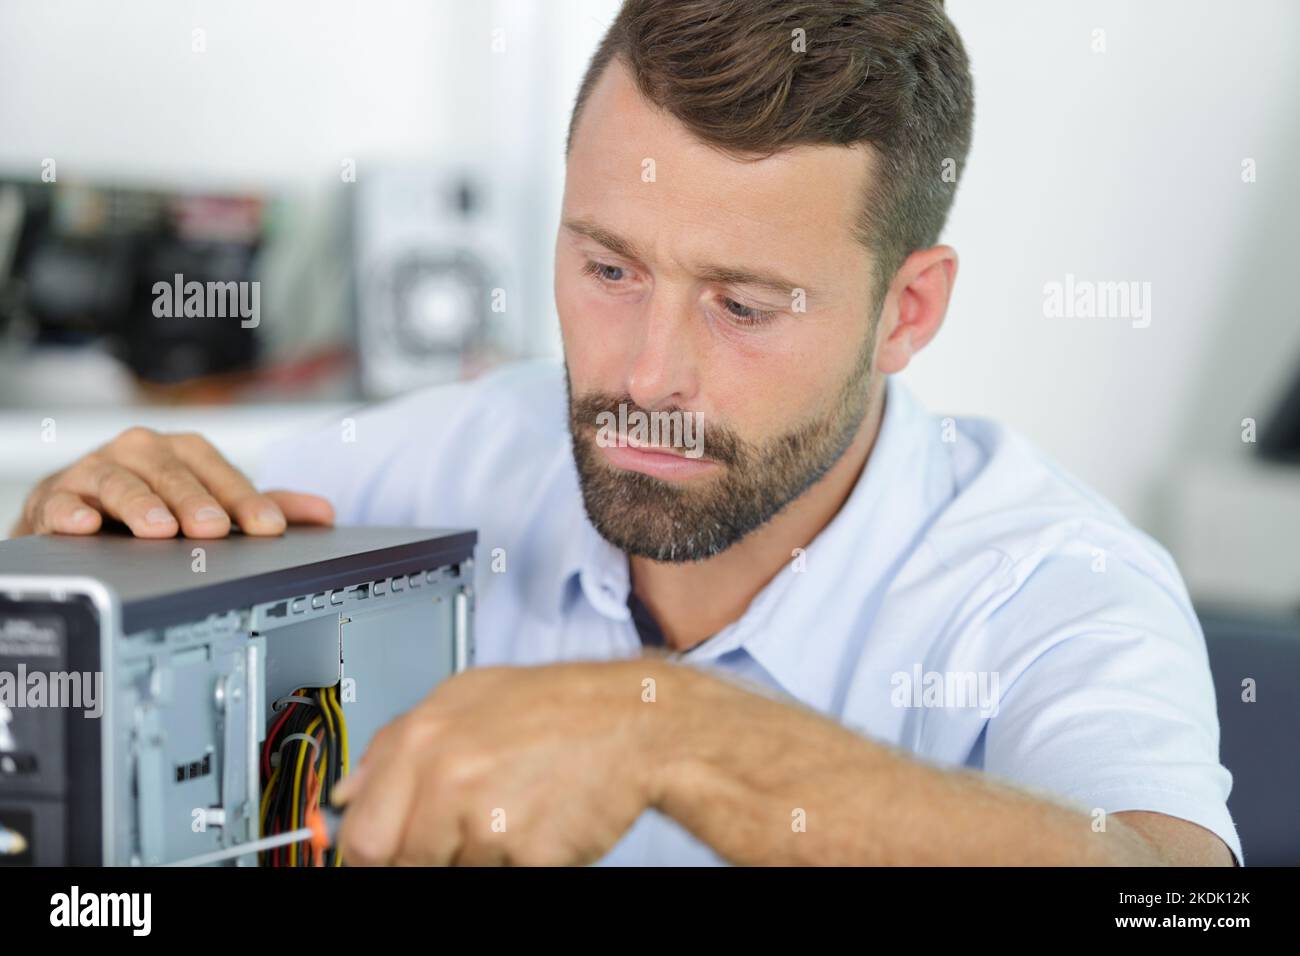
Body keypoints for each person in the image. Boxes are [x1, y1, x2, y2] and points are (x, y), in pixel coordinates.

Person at [10, 0, 1239, 866]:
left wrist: (679, 731)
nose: (645, 373)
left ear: (905, 311)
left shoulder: (1053, 585)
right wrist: (79, 558)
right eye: (608, 267)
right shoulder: (436, 465)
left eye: (743, 305)